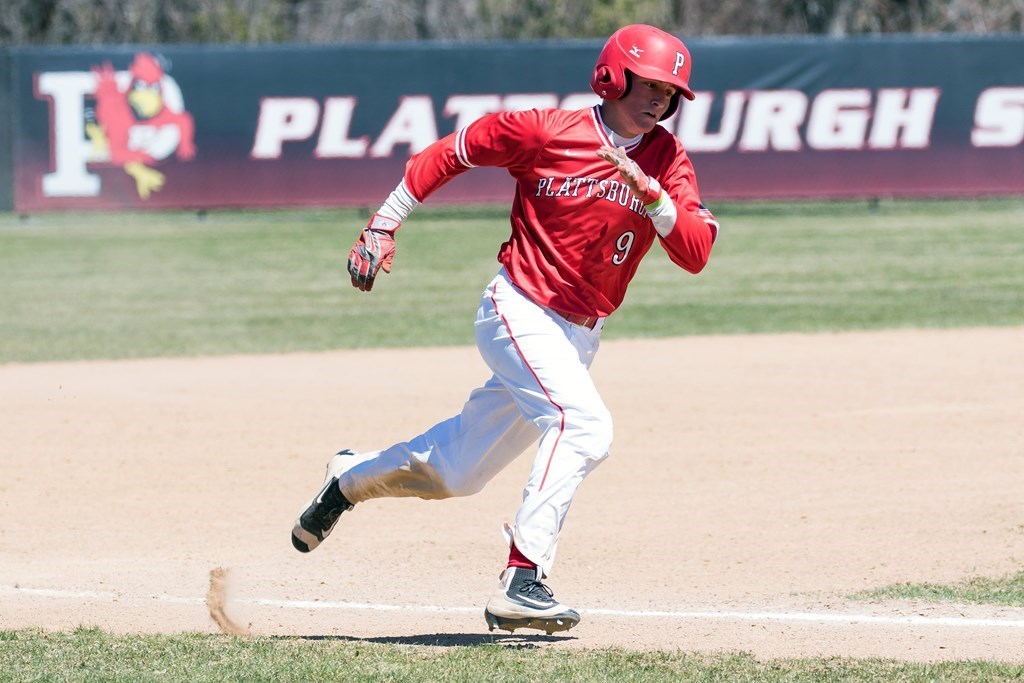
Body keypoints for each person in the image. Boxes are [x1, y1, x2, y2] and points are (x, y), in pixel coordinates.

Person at [291, 23, 720, 636]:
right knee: (584, 426)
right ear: (611, 77)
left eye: (670, 91)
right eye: (648, 84)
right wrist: (384, 223)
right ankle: (523, 579)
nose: (659, 99)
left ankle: (348, 479)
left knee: (455, 474)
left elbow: (696, 252)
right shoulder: (547, 131)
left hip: (579, 335)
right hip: (519, 309)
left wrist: (654, 198)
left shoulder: (668, 160)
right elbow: (450, 152)